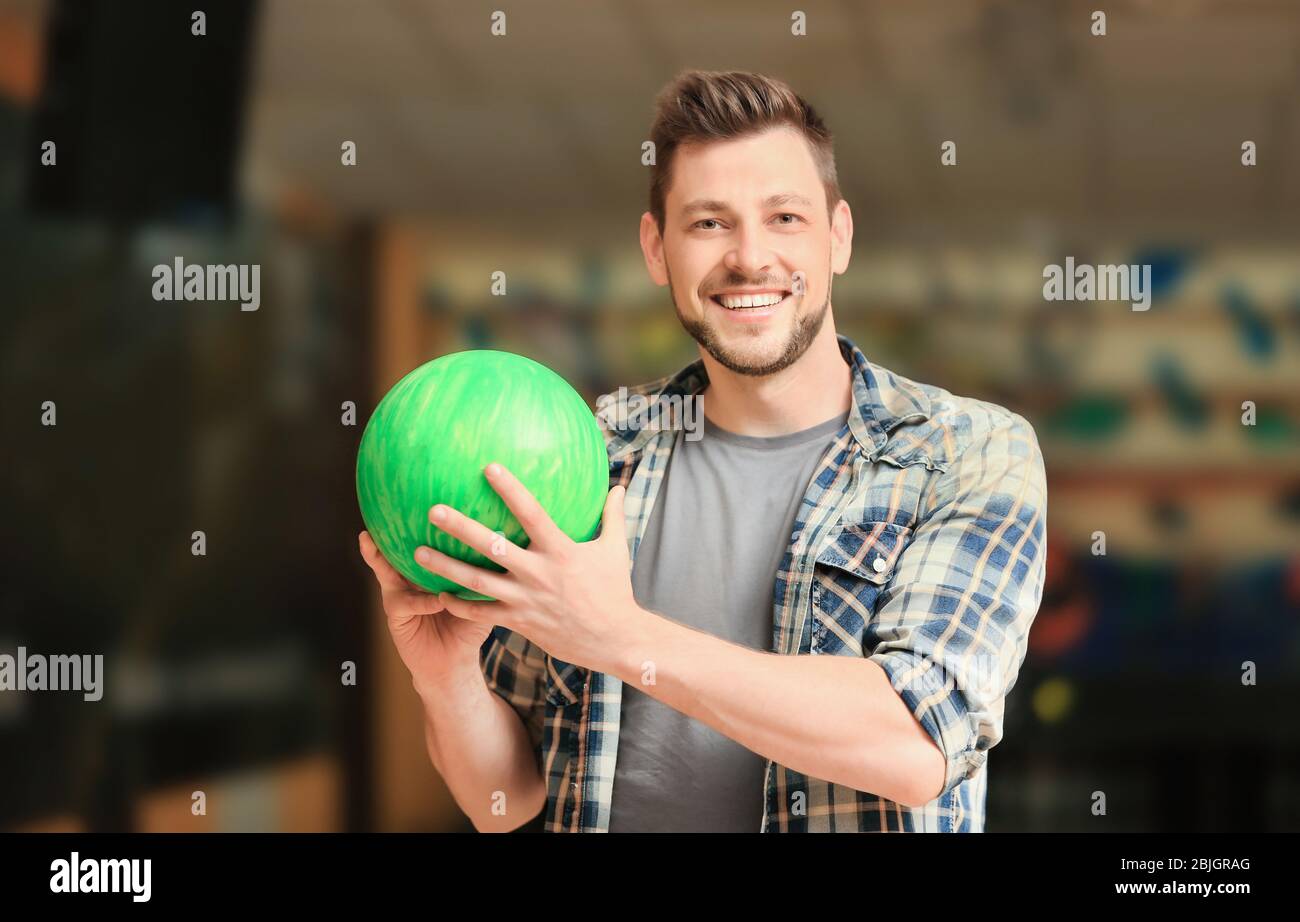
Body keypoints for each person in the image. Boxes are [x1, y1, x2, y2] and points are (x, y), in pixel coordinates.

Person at [359, 70, 1047, 832]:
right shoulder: (591, 453)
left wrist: (620, 637)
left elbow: (917, 744)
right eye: (708, 223)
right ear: (657, 249)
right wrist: (447, 675)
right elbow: (505, 802)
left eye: (784, 217)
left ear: (838, 236)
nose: (749, 258)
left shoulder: (969, 452)